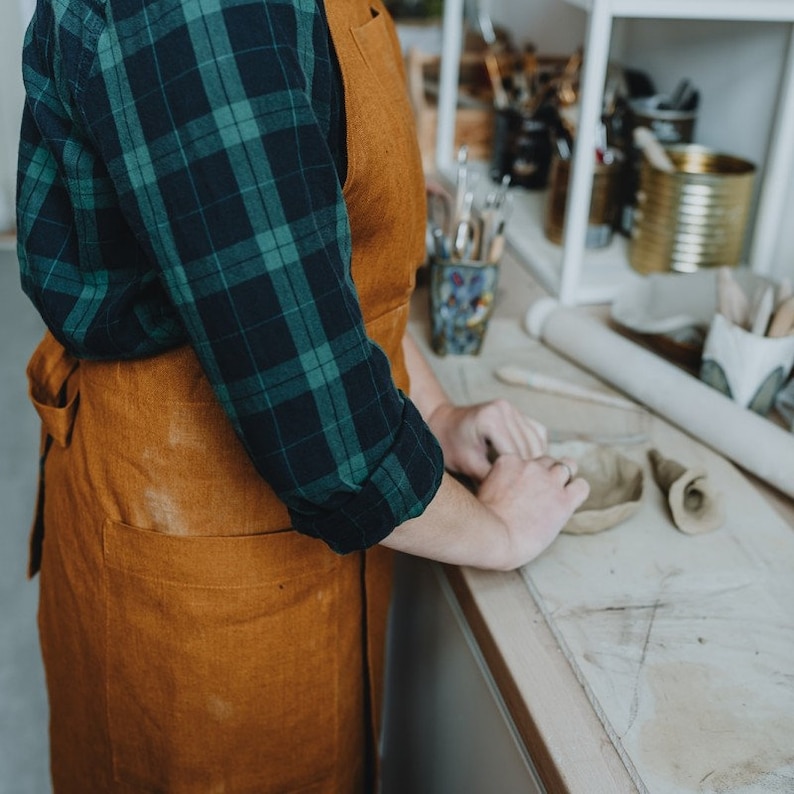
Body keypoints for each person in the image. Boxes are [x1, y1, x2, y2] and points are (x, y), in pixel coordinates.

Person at [16, 0, 589, 791]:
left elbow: (312, 268)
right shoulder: (198, 12)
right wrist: (497, 531)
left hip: (284, 524)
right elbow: (324, 431)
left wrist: (432, 410)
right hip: (196, 534)